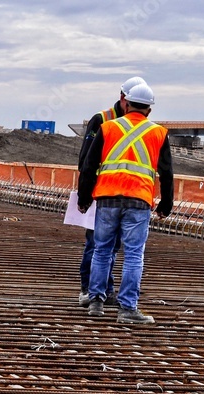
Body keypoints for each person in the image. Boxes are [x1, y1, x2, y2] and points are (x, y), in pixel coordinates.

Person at [77, 83, 174, 324]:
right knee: (133, 255)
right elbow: (167, 173)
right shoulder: (159, 133)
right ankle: (127, 308)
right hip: (138, 200)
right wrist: (166, 205)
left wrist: (84, 198)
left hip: (107, 198)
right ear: (149, 110)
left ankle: (96, 302)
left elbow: (89, 165)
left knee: (101, 250)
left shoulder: (108, 127)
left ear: (126, 104)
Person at [75, 76, 146, 307]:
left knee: (111, 247)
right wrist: (85, 194)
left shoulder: (138, 123)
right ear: (123, 97)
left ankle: (106, 290)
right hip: (101, 192)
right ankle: (89, 290)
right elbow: (86, 160)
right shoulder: (102, 119)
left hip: (125, 194)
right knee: (96, 245)